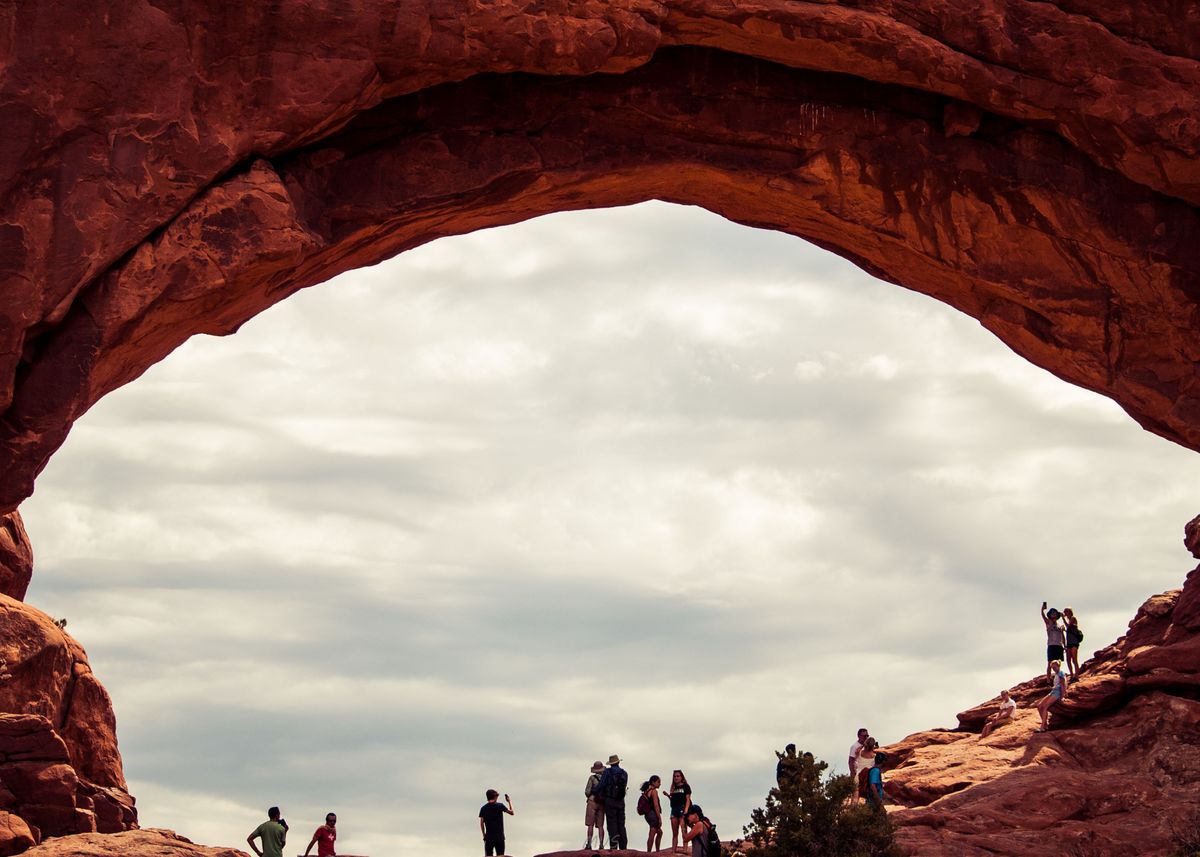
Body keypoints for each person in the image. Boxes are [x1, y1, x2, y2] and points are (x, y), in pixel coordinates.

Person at [596, 754, 629, 850]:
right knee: (621, 825)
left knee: (612, 824)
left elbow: (601, 785)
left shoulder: (607, 772)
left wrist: (595, 791)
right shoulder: (624, 773)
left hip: (610, 800)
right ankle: (623, 847)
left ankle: (614, 847)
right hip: (621, 801)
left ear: (611, 764)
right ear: (618, 762)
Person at [1036, 659, 1069, 732]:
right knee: (1039, 705)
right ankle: (1045, 725)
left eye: (1054, 667)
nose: (1053, 669)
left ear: (1058, 666)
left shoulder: (1061, 673)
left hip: (1057, 692)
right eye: (1052, 668)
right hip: (1053, 691)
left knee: (1045, 707)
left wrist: (1063, 696)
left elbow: (1063, 685)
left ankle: (1042, 727)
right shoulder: (1057, 674)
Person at [478, 789, 514, 856]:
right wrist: (509, 801)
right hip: (499, 837)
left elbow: (481, 823)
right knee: (500, 855)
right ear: (494, 796)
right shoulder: (500, 806)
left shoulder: (483, 808)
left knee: (488, 856)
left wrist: (484, 835)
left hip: (489, 837)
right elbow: (512, 813)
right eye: (497, 795)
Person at [664, 769, 692, 851]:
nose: (676, 778)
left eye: (678, 776)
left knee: (684, 830)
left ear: (681, 777)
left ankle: (685, 849)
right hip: (674, 809)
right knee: (674, 832)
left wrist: (686, 810)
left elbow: (688, 799)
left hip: (682, 808)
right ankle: (674, 849)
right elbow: (673, 800)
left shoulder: (685, 786)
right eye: (674, 776)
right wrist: (668, 796)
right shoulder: (673, 787)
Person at [1041, 602, 1066, 682]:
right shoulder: (1049, 623)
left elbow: (1063, 636)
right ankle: (1048, 681)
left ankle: (1058, 679)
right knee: (1050, 663)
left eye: (1055, 613)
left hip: (1059, 645)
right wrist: (1042, 609)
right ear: (1050, 615)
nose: (1054, 614)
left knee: (1058, 664)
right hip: (1051, 645)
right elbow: (1043, 616)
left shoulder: (1059, 626)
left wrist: (1064, 645)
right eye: (1052, 613)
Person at [585, 760, 606, 849]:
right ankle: (601, 844)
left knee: (590, 825)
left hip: (592, 801)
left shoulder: (592, 778)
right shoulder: (605, 779)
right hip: (602, 803)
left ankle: (589, 844)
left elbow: (587, 791)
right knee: (600, 826)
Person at [640, 775, 663, 852]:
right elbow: (656, 805)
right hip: (652, 814)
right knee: (652, 833)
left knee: (659, 832)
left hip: (648, 815)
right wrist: (659, 818)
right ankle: (649, 852)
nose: (660, 784)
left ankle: (657, 850)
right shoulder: (653, 791)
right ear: (653, 782)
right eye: (658, 782)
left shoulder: (647, 790)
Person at [855, 738, 879, 803]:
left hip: (858, 776)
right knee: (869, 795)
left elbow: (856, 751)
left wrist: (863, 745)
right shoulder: (874, 756)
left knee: (856, 795)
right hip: (868, 777)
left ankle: (853, 810)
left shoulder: (859, 752)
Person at [1064, 607, 1084, 678]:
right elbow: (1068, 630)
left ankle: (1076, 676)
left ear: (1069, 612)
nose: (1065, 613)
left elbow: (1068, 627)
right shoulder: (1069, 620)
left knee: (1074, 659)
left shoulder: (1073, 618)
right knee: (1068, 659)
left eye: (1066, 611)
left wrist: (1063, 619)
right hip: (1069, 642)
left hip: (1074, 642)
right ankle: (1072, 674)